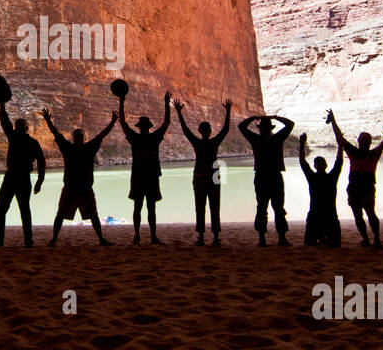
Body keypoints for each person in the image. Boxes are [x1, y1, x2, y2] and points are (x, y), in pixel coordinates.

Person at [42, 107, 117, 247]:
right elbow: (102, 135)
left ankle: (54, 240)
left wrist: (48, 120)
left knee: (63, 215)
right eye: (78, 136)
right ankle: (100, 239)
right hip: (82, 188)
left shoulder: (68, 148)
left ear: (77, 138)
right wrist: (112, 122)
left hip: (73, 188)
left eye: (78, 136)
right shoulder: (89, 148)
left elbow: (56, 134)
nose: (78, 138)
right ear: (81, 138)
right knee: (90, 215)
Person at [327, 110, 383, 249]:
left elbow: (340, 139)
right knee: (366, 214)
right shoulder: (369, 153)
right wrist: (333, 121)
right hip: (362, 188)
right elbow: (340, 138)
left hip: (361, 188)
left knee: (364, 215)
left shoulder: (358, 153)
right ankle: (373, 239)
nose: (363, 142)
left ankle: (371, 239)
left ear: (364, 142)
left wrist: (333, 121)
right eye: (363, 140)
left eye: (365, 141)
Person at [175, 98, 232, 246]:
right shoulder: (214, 142)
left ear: (200, 131)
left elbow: (185, 130)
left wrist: (179, 112)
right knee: (215, 207)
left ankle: (201, 237)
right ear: (210, 131)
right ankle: (215, 237)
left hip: (199, 177)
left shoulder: (197, 142)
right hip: (214, 176)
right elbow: (225, 129)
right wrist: (227, 111)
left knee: (200, 207)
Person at [119, 90, 172, 245]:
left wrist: (122, 102)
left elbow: (122, 123)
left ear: (141, 127)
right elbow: (166, 123)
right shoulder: (154, 138)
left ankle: (138, 236)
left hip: (138, 178)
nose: (143, 128)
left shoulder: (135, 138)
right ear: (148, 127)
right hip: (150, 178)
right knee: (150, 208)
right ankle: (151, 236)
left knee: (139, 207)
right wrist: (166, 103)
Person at [0, 98, 45, 248]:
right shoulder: (31, 143)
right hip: (22, 179)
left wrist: (2, 105)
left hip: (12, 177)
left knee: (2, 209)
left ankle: (0, 240)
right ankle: (27, 240)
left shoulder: (14, 137)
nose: (18, 128)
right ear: (27, 128)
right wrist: (40, 181)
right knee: (23, 210)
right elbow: (41, 162)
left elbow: (5, 122)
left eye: (18, 126)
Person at [238, 112, 294, 246]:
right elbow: (290, 124)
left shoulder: (256, 139)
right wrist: (275, 117)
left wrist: (252, 118)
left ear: (260, 128)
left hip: (262, 177)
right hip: (274, 176)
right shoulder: (278, 138)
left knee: (263, 207)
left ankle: (263, 238)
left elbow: (241, 126)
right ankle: (281, 238)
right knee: (278, 207)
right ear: (271, 128)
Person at [298, 132, 343, 247]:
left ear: (315, 166)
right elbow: (339, 162)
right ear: (326, 165)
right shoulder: (331, 177)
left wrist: (302, 144)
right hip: (329, 214)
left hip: (317, 213)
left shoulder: (313, 177)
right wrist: (340, 145)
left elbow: (302, 162)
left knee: (310, 242)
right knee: (334, 242)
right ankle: (323, 237)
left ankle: (321, 237)